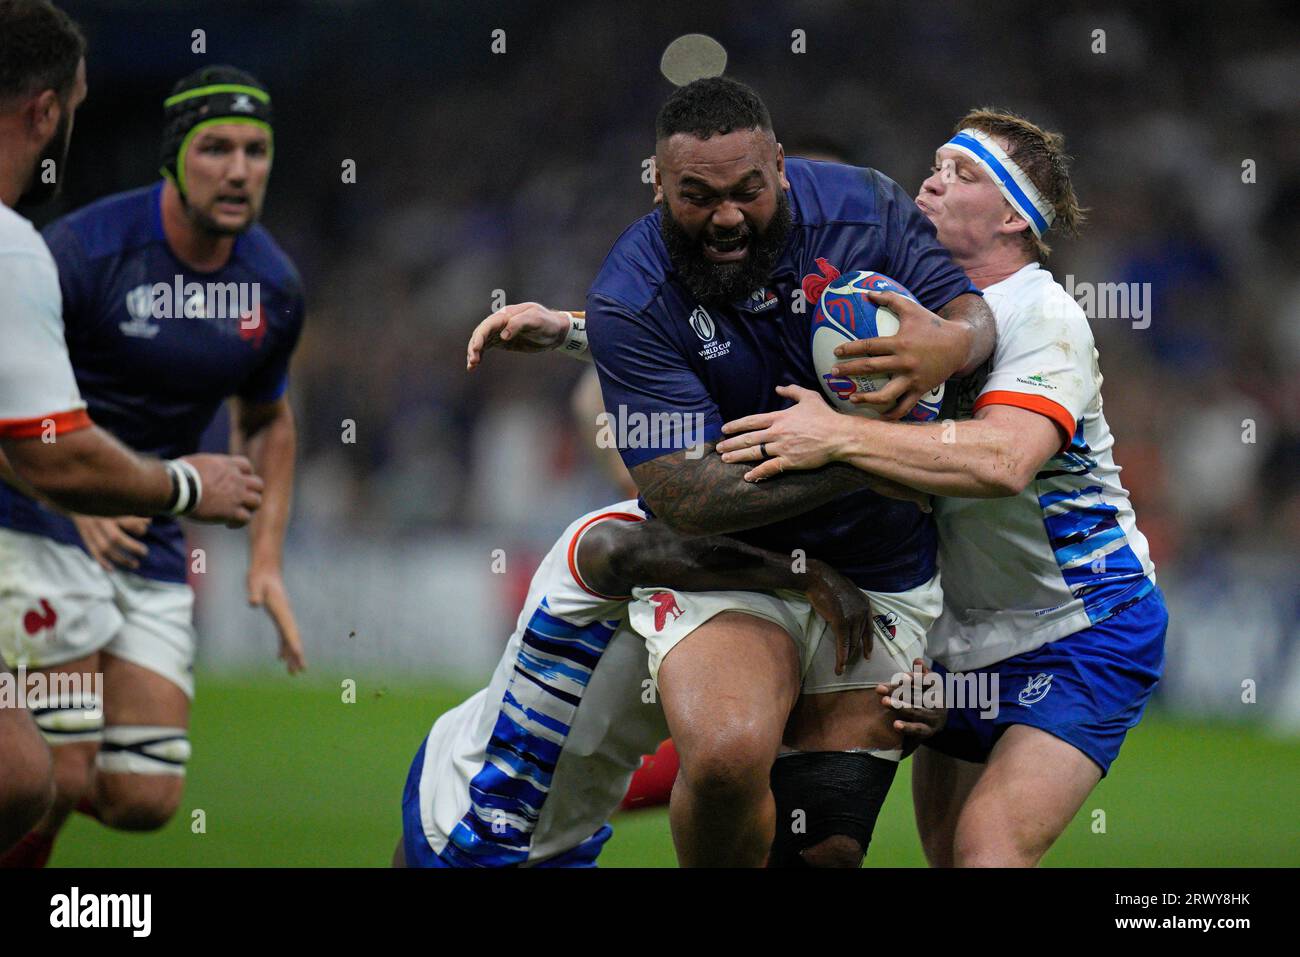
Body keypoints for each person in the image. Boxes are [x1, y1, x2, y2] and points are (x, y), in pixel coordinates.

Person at [468, 76, 996, 867]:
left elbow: (973, 316)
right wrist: (861, 453)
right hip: (732, 568)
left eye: (748, 190)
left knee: (826, 854)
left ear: (780, 166)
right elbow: (686, 493)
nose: (726, 216)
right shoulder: (632, 294)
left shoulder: (867, 212)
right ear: (657, 185)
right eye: (697, 196)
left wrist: (952, 346)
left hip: (883, 567)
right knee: (726, 753)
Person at [714, 108, 1168, 867]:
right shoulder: (897, 298)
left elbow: (1002, 462)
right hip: (959, 640)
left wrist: (842, 433)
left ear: (1016, 218)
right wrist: (574, 329)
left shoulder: (1044, 315)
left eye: (966, 174)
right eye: (936, 163)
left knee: (987, 849)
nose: (932, 180)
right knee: (946, 855)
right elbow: (737, 329)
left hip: (1082, 623)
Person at [0, 63, 305, 867]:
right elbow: (15, 402)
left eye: (255, 150)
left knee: (143, 798)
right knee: (57, 769)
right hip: (38, 518)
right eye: (214, 148)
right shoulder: (82, 252)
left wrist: (266, 558)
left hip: (158, 530)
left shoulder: (271, 285)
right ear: (174, 157)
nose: (238, 169)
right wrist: (79, 490)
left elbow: (267, 419)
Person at [397, 500, 881, 867]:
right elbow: (624, 552)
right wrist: (805, 575)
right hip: (489, 817)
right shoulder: (622, 539)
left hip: (561, 828)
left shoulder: (761, 605)